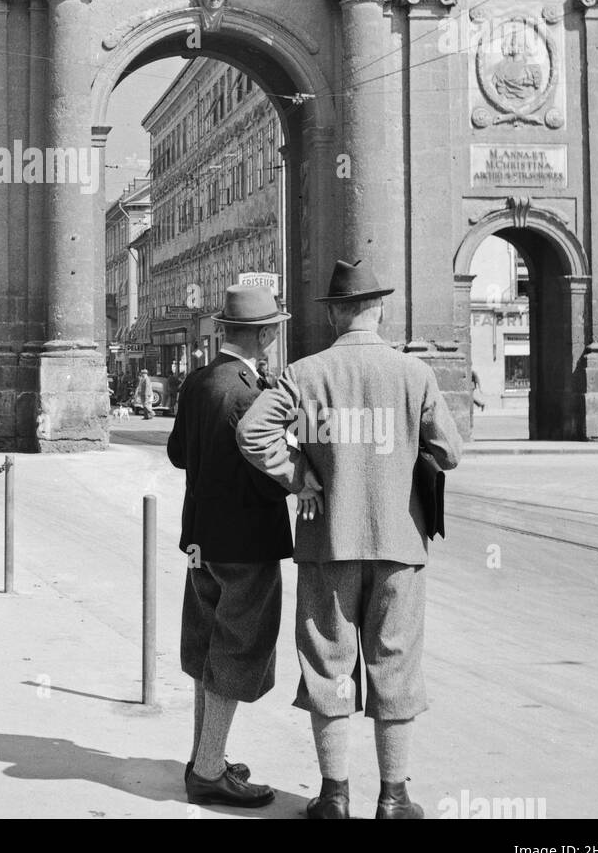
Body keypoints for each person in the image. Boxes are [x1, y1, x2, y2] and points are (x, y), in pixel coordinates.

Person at [237, 259, 462, 820]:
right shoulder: (415, 374)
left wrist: (298, 474)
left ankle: (334, 796)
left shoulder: (305, 373)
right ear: (379, 309)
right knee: (396, 664)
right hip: (398, 547)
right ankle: (393, 798)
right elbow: (450, 452)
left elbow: (251, 431)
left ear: (335, 313)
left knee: (330, 665)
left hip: (326, 543)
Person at [168, 283, 306, 808]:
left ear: (226, 332)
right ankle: (208, 770)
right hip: (244, 544)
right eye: (274, 331)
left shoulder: (200, 382)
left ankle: (206, 755)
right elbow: (268, 478)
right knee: (234, 650)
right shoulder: (250, 395)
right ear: (265, 334)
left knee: (206, 648)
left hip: (201, 538)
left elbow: (179, 454)